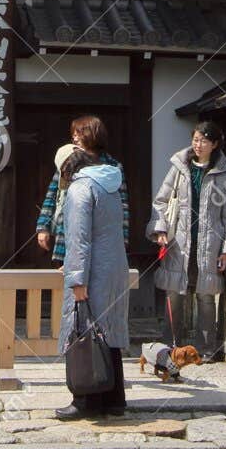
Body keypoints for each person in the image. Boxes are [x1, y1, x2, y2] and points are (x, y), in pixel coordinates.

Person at [149, 120, 226, 360]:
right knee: (174, 293)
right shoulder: (179, 167)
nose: (198, 145)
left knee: (206, 297)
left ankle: (205, 348)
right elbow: (161, 201)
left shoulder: (224, 172)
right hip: (178, 241)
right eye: (195, 139)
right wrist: (160, 229)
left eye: (204, 140)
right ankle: (170, 345)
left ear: (215, 144)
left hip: (209, 243)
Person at [56, 148, 130, 421]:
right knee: (108, 333)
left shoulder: (80, 189)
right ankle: (115, 399)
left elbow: (79, 239)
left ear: (66, 169)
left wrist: (76, 279)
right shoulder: (109, 186)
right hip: (114, 267)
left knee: (83, 330)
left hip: (92, 271)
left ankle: (84, 399)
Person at [35, 115, 129, 262]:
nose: (75, 138)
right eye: (73, 134)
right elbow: (52, 195)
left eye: (79, 133)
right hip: (66, 231)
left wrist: (123, 238)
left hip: (101, 235)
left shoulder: (113, 167)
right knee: (68, 278)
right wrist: (43, 227)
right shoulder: (68, 161)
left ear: (93, 135)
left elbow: (121, 204)